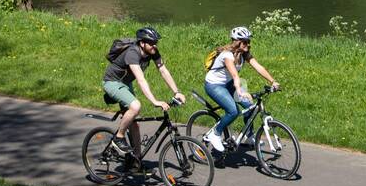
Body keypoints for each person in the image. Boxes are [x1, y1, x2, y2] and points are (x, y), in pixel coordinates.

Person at [103, 26, 186, 170]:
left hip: (125, 83)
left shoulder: (152, 51)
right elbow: (141, 79)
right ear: (142, 43)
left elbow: (163, 70)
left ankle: (136, 161)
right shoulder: (132, 53)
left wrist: (177, 91)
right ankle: (119, 137)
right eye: (151, 43)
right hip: (112, 82)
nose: (155, 46)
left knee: (134, 124)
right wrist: (154, 101)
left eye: (156, 43)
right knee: (135, 106)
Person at [202, 25, 279, 155]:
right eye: (245, 42)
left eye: (249, 42)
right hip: (214, 85)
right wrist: (240, 91)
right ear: (237, 42)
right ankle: (215, 134)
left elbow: (258, 67)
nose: (248, 44)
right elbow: (235, 75)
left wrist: (272, 81)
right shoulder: (227, 55)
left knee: (250, 107)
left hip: (229, 83)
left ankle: (249, 137)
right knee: (233, 111)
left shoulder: (244, 54)